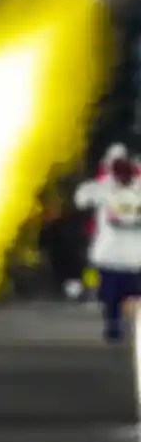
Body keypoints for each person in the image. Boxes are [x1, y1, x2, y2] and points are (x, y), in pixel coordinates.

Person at [74, 143, 141, 343]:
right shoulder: (103, 188)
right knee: (111, 298)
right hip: (112, 257)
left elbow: (81, 198)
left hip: (131, 257)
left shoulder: (130, 187)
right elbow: (81, 198)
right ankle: (114, 325)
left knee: (117, 296)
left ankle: (118, 325)